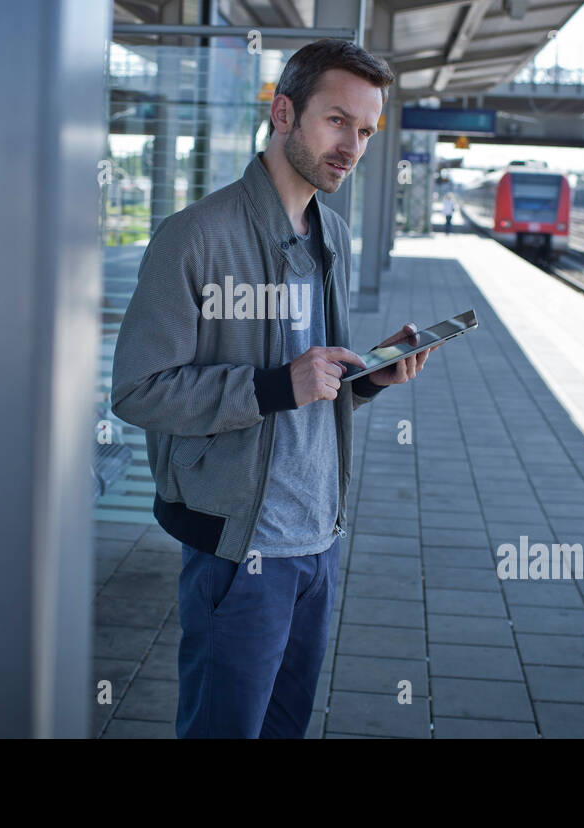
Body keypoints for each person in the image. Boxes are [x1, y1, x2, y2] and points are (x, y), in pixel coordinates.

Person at [111, 38, 435, 739]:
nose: (352, 145)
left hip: (319, 542)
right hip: (242, 549)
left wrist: (365, 379)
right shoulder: (194, 238)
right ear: (284, 112)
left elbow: (309, 384)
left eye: (367, 131)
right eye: (337, 121)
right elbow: (138, 391)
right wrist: (269, 387)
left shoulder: (331, 236)